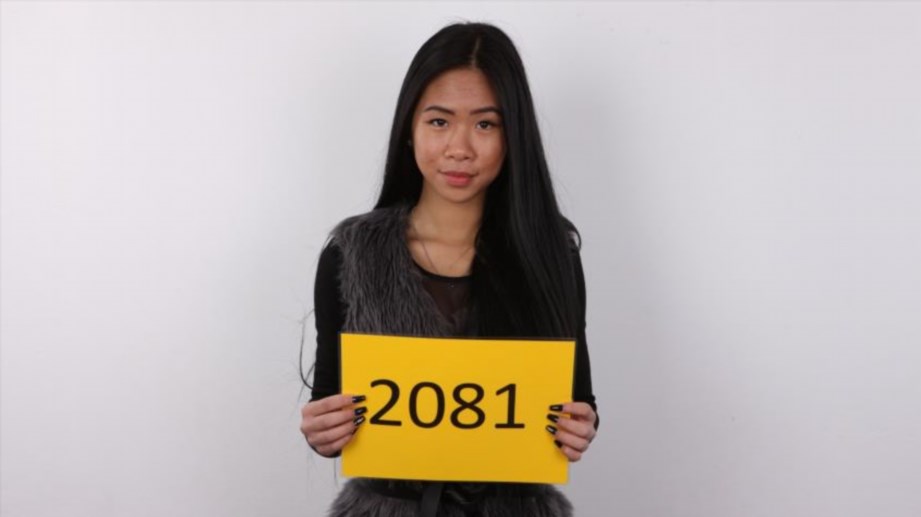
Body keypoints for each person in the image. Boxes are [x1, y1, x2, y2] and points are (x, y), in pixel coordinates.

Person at [300, 22, 598, 516]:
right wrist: (321, 429)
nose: (460, 148)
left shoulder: (551, 254)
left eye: (486, 125)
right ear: (409, 127)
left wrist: (579, 426)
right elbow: (329, 408)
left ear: (513, 135)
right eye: (439, 121)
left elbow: (579, 402)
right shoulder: (350, 255)